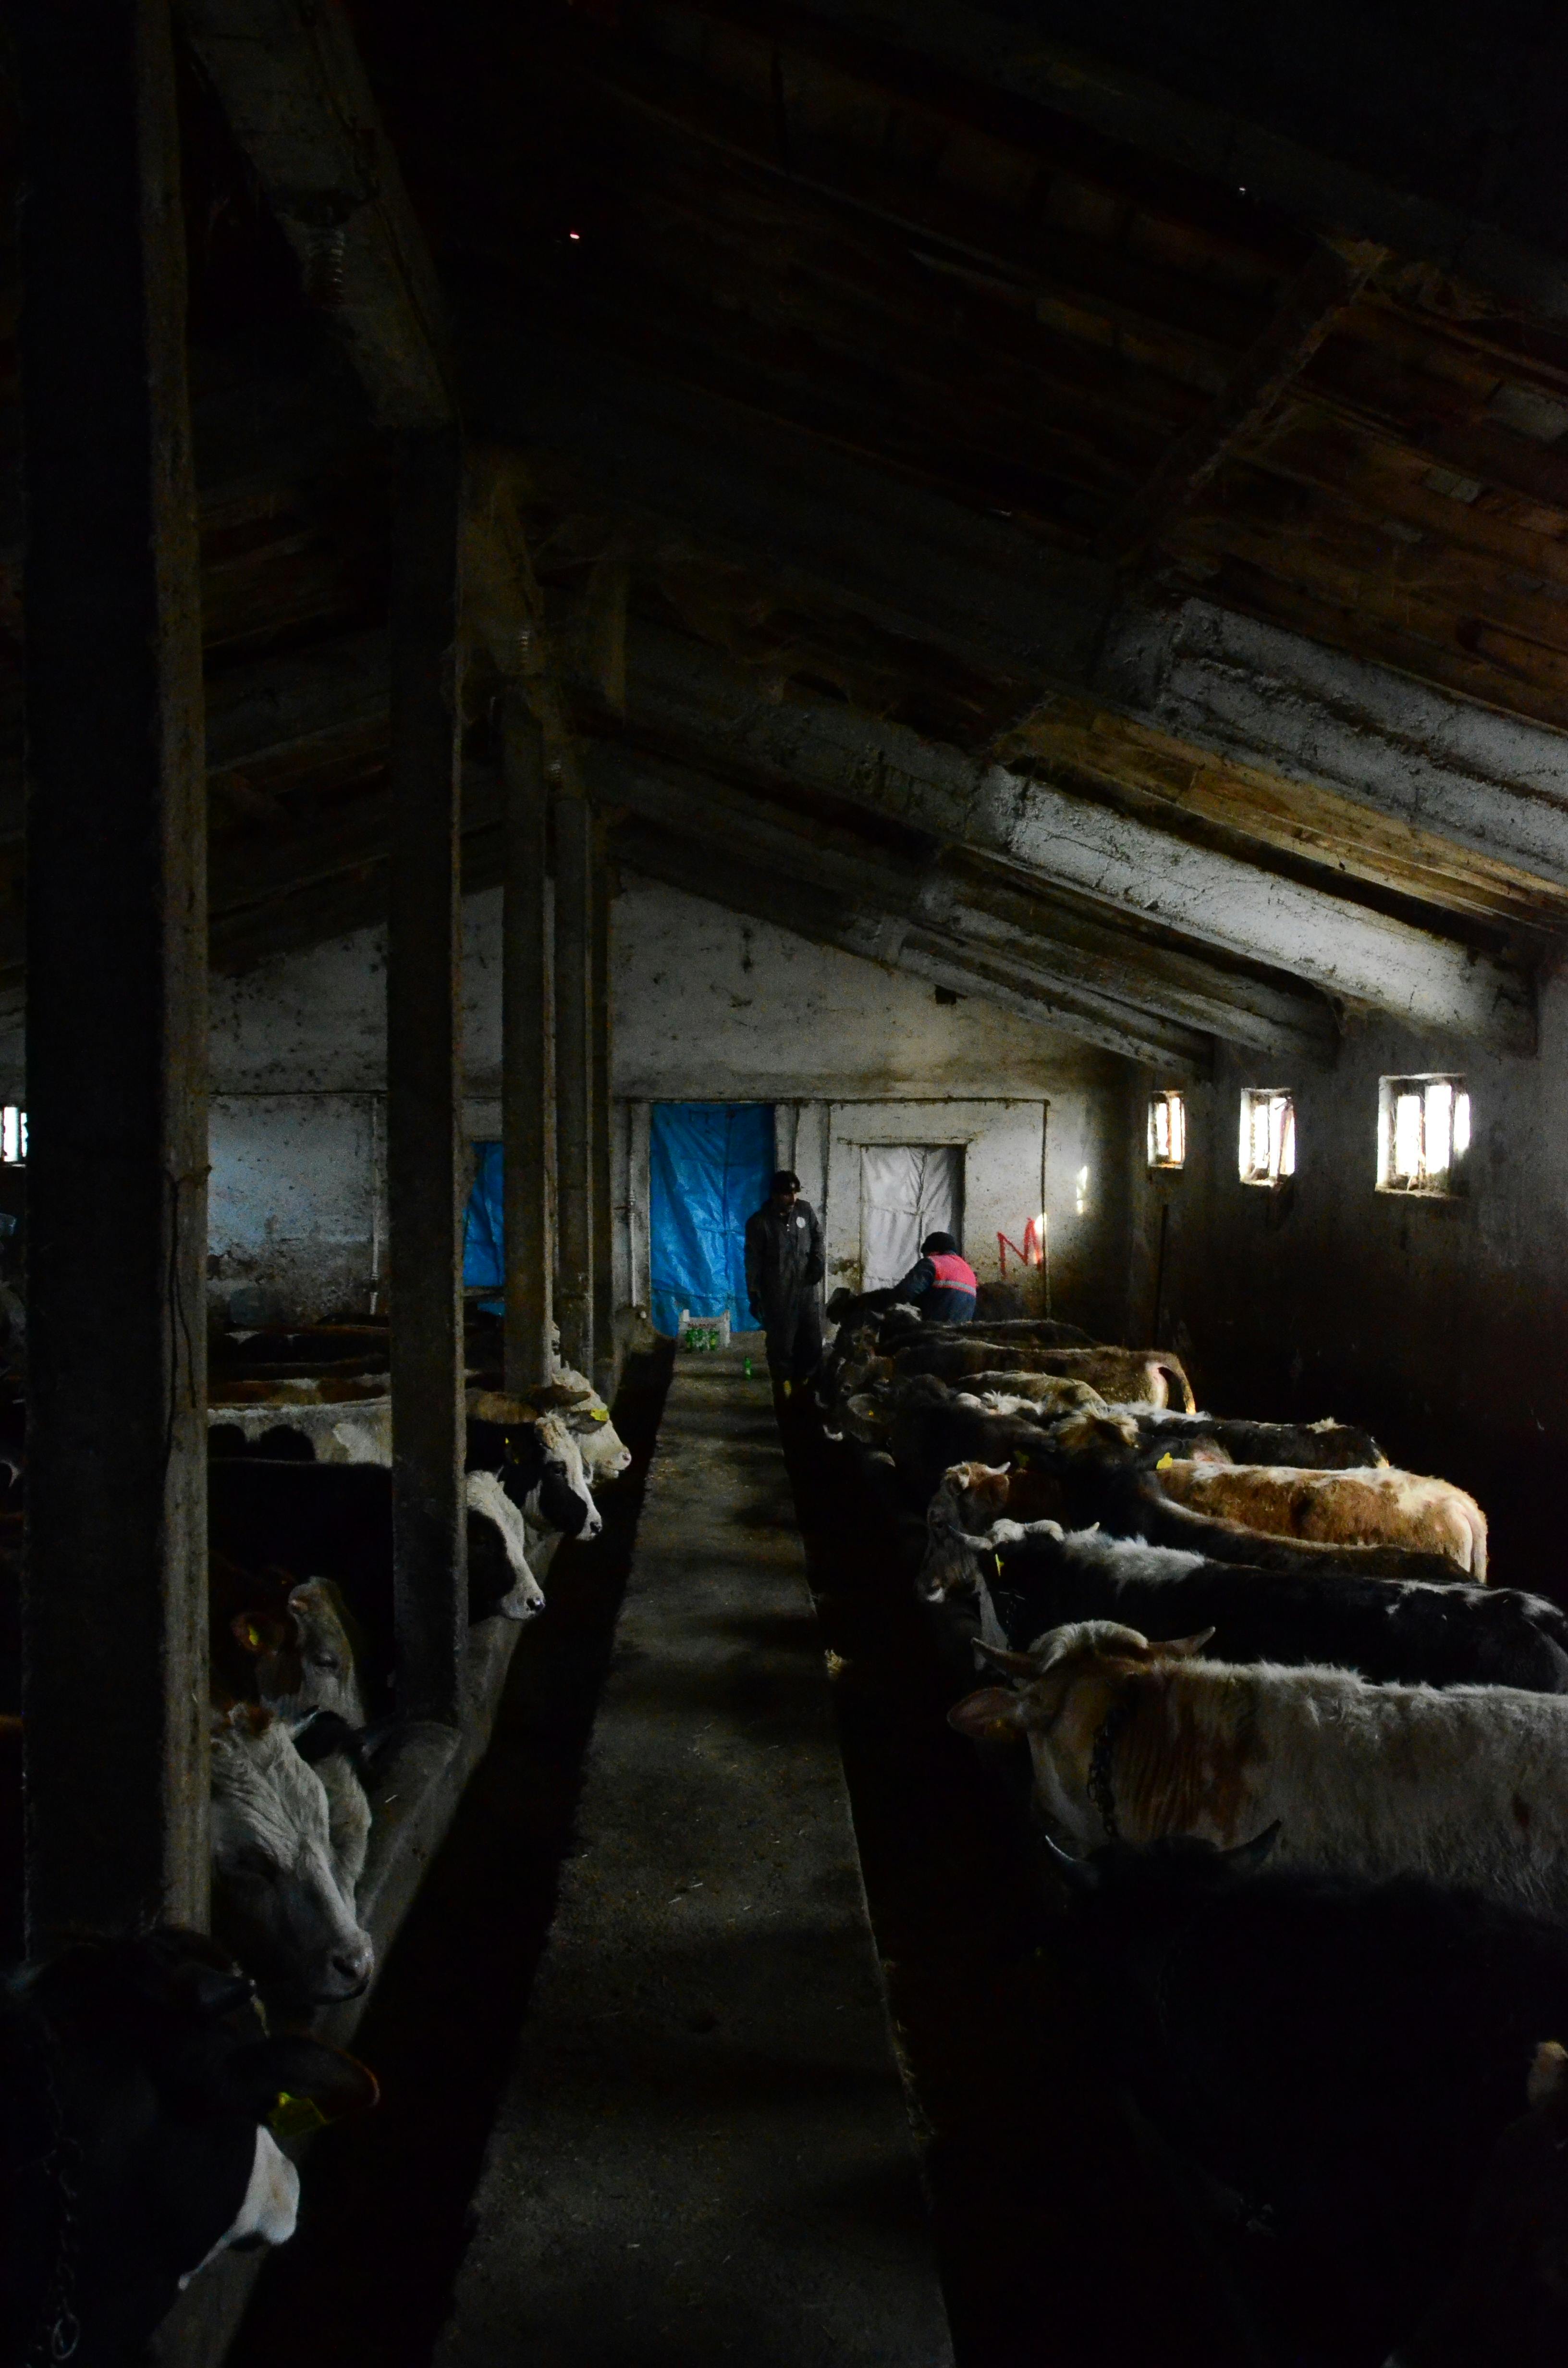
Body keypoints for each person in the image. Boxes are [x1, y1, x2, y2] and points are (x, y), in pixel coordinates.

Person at [744, 1169, 825, 1389]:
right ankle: (783, 1392)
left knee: (812, 1343)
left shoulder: (805, 1211)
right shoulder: (759, 1223)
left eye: (795, 1194)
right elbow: (753, 1262)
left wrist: (818, 1262)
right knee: (782, 1347)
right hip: (778, 1296)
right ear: (774, 1195)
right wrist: (754, 1294)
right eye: (787, 1195)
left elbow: (818, 1238)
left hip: (806, 1292)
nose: (793, 1199)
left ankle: (807, 1388)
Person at [894, 1230, 978, 1323]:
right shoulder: (969, 1272)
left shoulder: (933, 1263)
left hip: (932, 1331)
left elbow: (904, 1293)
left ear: (933, 1251)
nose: (925, 1257)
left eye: (925, 1254)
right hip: (959, 1333)